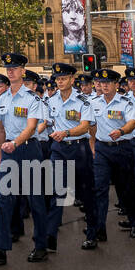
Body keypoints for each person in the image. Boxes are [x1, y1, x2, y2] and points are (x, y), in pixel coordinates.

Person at [0, 52, 50, 264]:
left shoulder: (32, 98)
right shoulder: (1, 99)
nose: (11, 71)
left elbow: (32, 126)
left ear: (23, 71)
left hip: (28, 149)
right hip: (8, 152)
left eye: (15, 68)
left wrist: (15, 143)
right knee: (5, 200)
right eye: (8, 69)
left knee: (35, 200)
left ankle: (41, 244)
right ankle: (0, 247)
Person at [44, 62, 99, 249]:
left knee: (86, 193)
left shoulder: (83, 101)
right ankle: (50, 237)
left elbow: (85, 126)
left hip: (79, 149)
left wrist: (66, 133)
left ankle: (93, 232)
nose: (60, 82)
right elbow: (46, 122)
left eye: (63, 78)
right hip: (59, 149)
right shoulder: (51, 101)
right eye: (57, 79)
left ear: (72, 80)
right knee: (56, 192)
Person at [90, 69, 135, 241]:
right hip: (102, 149)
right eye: (101, 83)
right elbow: (90, 126)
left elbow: (132, 122)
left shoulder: (125, 102)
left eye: (108, 83)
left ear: (116, 85)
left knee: (127, 187)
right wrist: (92, 146)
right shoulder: (94, 102)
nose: (104, 85)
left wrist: (121, 131)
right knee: (99, 189)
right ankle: (99, 229)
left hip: (123, 148)